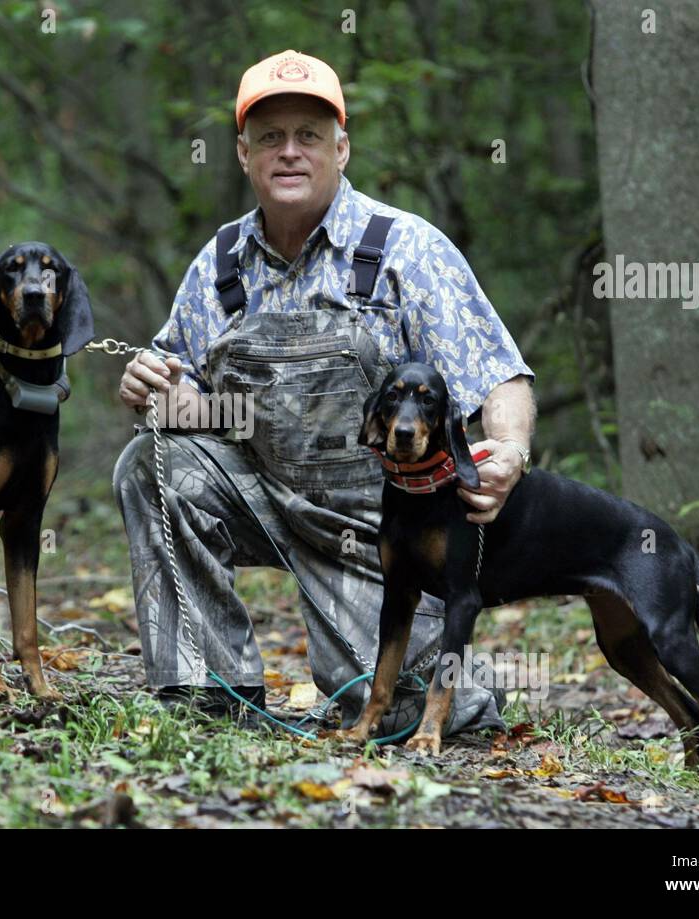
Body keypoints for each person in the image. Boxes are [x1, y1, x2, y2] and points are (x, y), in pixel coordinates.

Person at [112, 50, 536, 738]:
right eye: (270, 137)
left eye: (308, 135)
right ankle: (207, 693)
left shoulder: (406, 251)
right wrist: (148, 387)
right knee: (150, 463)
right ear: (243, 153)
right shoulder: (218, 264)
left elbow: (498, 375)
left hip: (379, 532)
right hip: (265, 495)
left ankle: (432, 678)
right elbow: (182, 395)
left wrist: (511, 451)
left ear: (341, 149)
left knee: (404, 711)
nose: (289, 152)